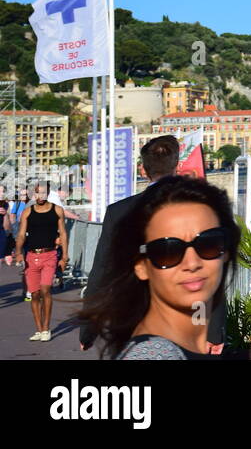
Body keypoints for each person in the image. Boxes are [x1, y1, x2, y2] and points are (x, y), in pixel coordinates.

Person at [79, 135, 227, 353]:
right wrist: (214, 330)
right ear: (177, 166)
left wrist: (88, 328)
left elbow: (102, 271)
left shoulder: (118, 212)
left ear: (143, 170)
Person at [14, 183, 68, 342]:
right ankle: (39, 330)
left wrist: (64, 257)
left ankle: (46, 328)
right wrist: (18, 252)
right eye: (37, 194)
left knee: (45, 290)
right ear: (33, 195)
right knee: (35, 294)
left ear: (48, 193)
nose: (40, 197)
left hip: (50, 255)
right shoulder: (27, 212)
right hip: (31, 256)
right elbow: (22, 234)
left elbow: (63, 234)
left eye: (43, 193)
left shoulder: (57, 210)